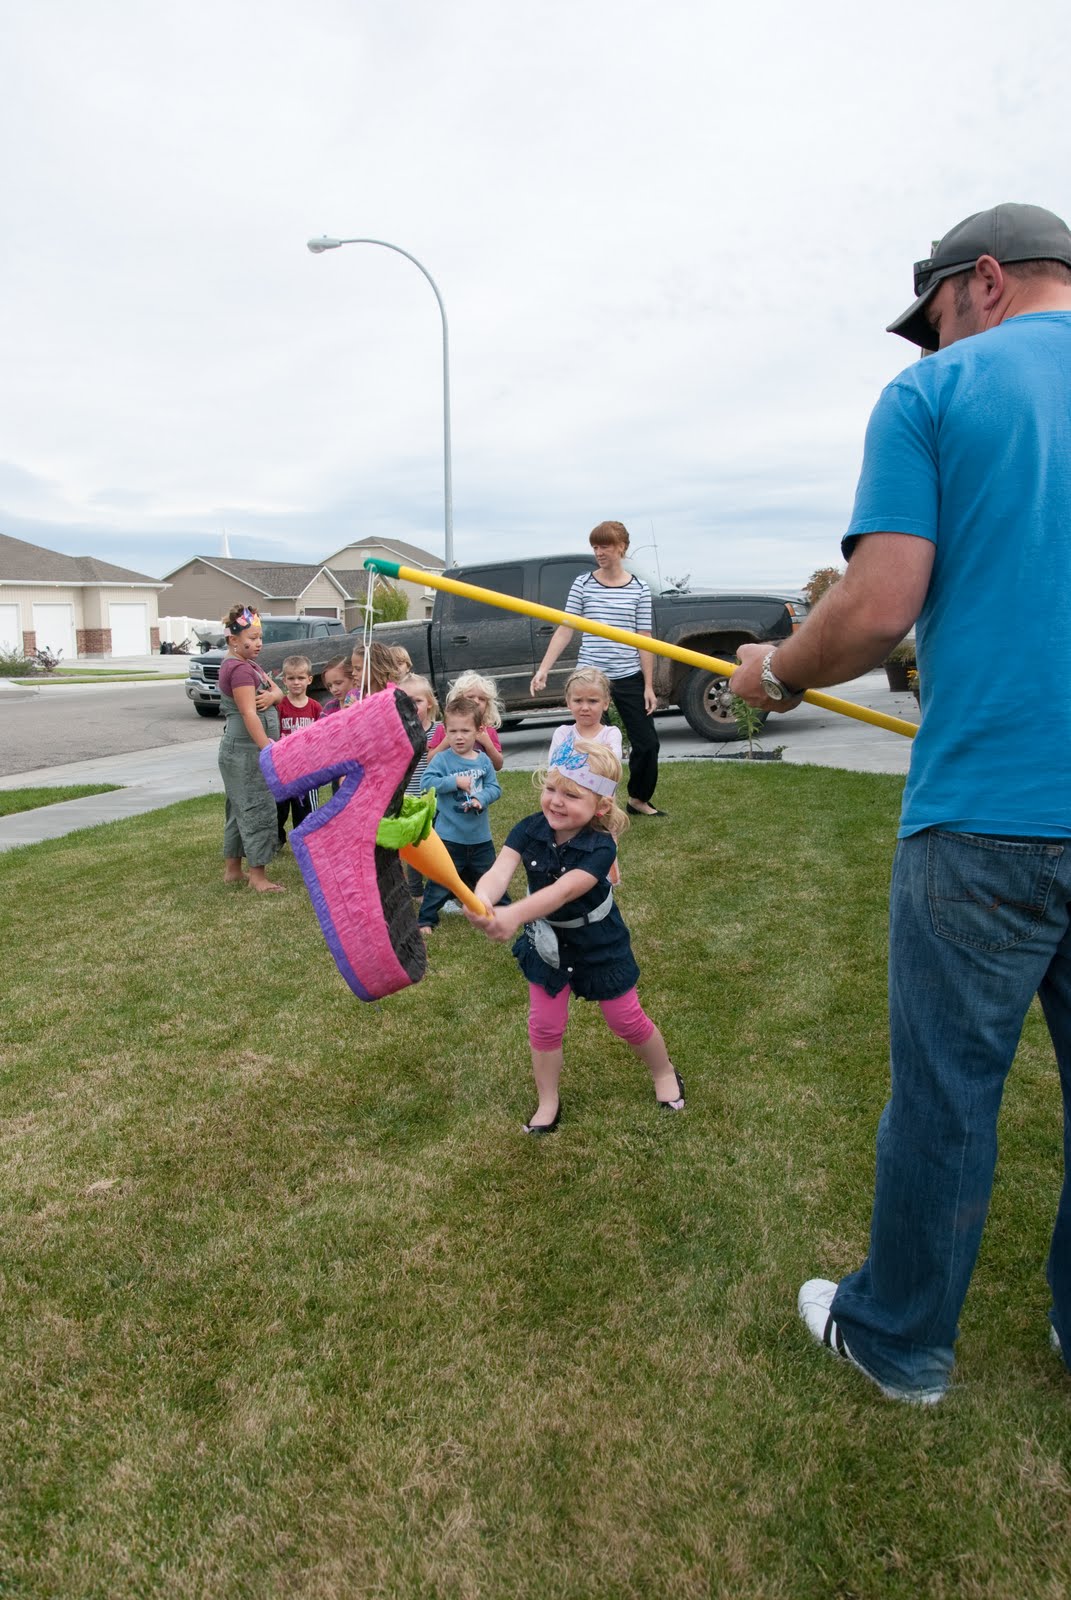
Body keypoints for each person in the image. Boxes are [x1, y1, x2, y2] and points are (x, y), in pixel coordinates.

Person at [732, 202, 1071, 1404]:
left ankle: (902, 1340)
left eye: (930, 319)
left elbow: (878, 608)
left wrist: (772, 669)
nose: (928, 348)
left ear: (982, 282)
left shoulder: (937, 396)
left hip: (985, 815)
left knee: (945, 1095)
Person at [466, 740, 682, 1133]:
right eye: (551, 789)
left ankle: (664, 1072)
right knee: (544, 1026)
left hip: (599, 944)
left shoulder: (601, 846)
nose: (556, 801)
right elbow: (500, 872)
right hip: (548, 945)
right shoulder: (529, 829)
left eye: (571, 794)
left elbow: (564, 891)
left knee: (626, 1020)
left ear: (600, 806)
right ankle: (548, 1100)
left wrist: (512, 913)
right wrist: (480, 899)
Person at [530, 521, 662, 816]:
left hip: (628, 674)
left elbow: (645, 639)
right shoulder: (583, 584)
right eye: (595, 547)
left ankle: (638, 799)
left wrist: (649, 686)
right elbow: (566, 628)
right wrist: (544, 669)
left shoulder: (638, 589)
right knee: (583, 744)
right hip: (590, 677)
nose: (599, 552)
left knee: (647, 743)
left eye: (605, 546)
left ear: (622, 548)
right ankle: (579, 798)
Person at [417, 696, 502, 934]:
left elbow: (495, 788)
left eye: (465, 730)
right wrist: (454, 781)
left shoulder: (484, 761)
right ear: (445, 731)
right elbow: (427, 782)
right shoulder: (443, 759)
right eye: (453, 731)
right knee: (441, 881)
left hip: (479, 837)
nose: (459, 736)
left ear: (479, 730)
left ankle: (503, 911)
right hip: (449, 837)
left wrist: (480, 798)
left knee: (489, 877)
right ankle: (425, 921)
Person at [216, 603, 286, 893]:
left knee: (237, 807)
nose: (258, 643)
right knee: (257, 806)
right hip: (246, 751)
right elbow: (248, 714)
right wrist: (266, 749)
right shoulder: (241, 671)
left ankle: (233, 870)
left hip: (240, 750)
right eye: (251, 638)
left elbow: (278, 691)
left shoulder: (249, 665)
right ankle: (258, 876)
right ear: (233, 640)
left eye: (260, 637)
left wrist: (274, 696)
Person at [549, 667, 623, 886]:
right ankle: (569, 877)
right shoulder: (563, 733)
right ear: (568, 702)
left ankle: (607, 880)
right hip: (569, 801)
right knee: (568, 838)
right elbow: (553, 768)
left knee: (603, 841)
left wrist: (575, 762)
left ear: (606, 703)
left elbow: (611, 767)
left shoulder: (611, 733)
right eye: (578, 700)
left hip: (602, 803)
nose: (584, 707)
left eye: (592, 701)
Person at [398, 673, 442, 898]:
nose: (412, 706)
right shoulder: (399, 733)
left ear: (430, 702)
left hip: (437, 800)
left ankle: (439, 889)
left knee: (438, 847)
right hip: (410, 799)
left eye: (418, 701)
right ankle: (415, 890)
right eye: (407, 702)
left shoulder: (441, 731)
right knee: (414, 847)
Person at [275, 654, 323, 843]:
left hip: (306, 770)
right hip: (283, 769)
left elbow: (320, 738)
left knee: (306, 810)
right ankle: (277, 839)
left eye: (301, 678)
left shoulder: (315, 708)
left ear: (309, 680)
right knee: (278, 809)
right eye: (291, 678)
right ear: (284, 680)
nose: (296, 682)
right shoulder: (279, 706)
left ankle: (305, 841)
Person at [428, 670, 505, 771]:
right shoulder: (444, 729)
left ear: (487, 705)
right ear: (458, 699)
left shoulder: (488, 731)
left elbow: (498, 765)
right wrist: (446, 741)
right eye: (470, 697)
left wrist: (488, 743)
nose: (476, 701)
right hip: (450, 782)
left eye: (482, 699)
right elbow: (430, 761)